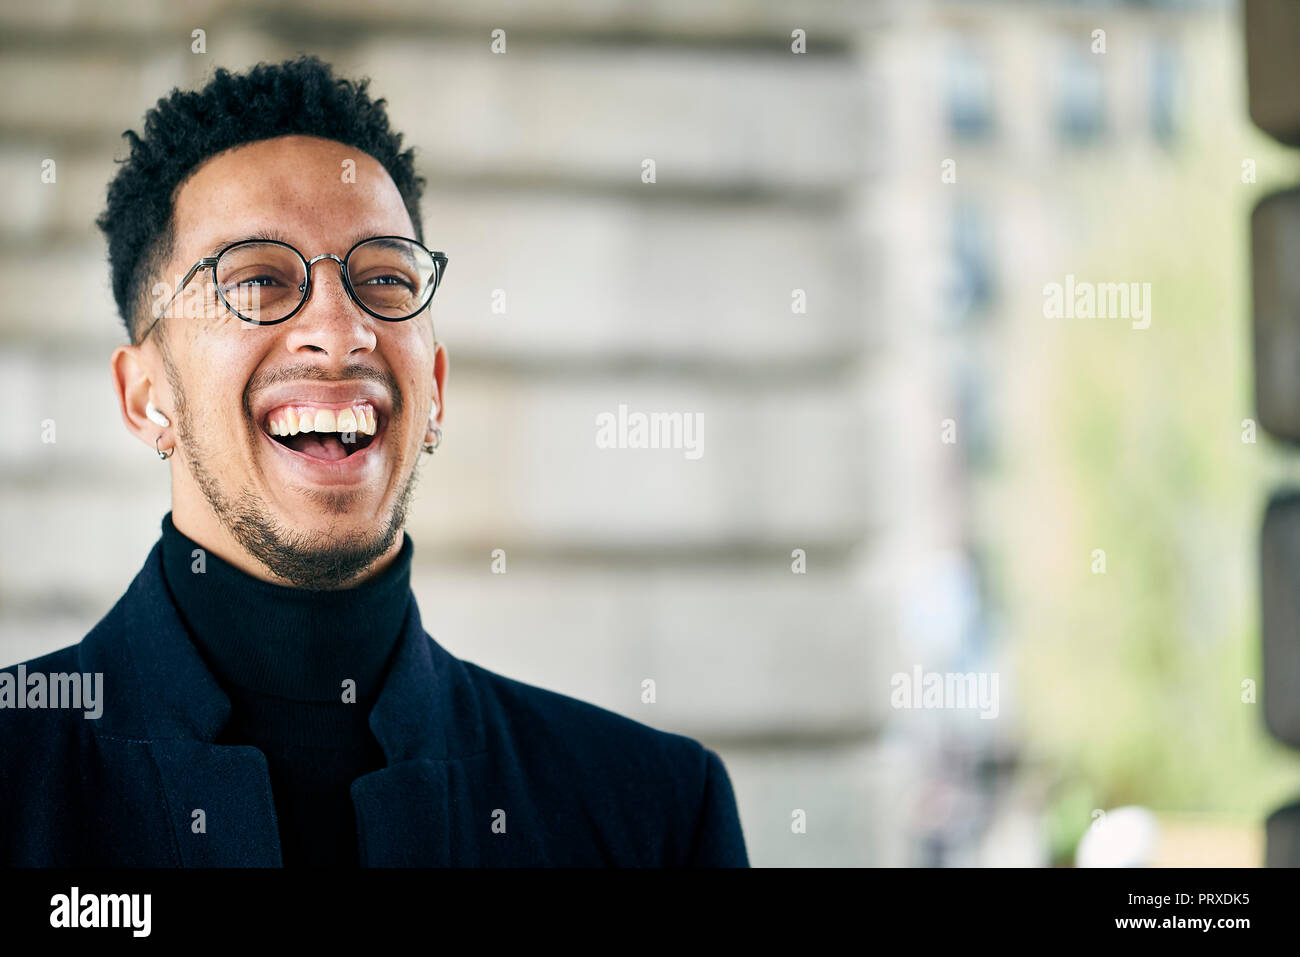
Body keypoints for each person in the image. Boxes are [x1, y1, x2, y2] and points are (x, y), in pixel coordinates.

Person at [0, 56, 748, 867]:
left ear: (433, 384)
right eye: (255, 279)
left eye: (384, 279)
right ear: (147, 397)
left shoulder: (652, 810)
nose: (342, 327)